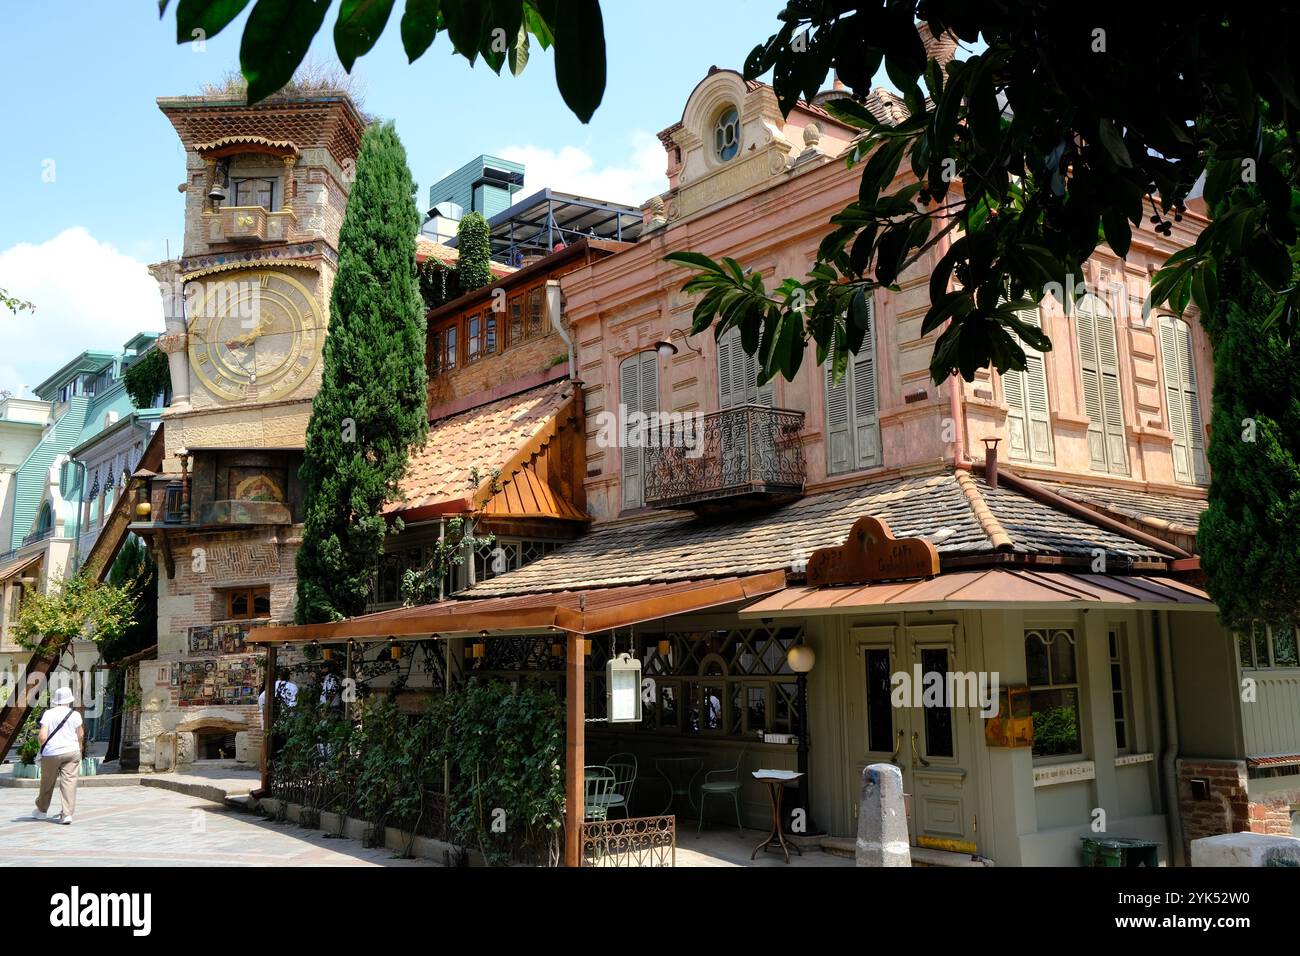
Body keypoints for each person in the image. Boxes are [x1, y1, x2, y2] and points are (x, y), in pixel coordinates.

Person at [32, 686, 83, 825]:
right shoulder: (75, 715)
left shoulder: (48, 714)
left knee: (47, 782)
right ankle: (66, 814)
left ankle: (42, 810)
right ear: (70, 700)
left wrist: (41, 747)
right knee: (69, 783)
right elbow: (81, 734)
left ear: (56, 700)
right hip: (72, 751)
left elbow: (42, 736)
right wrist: (80, 748)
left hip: (51, 753)